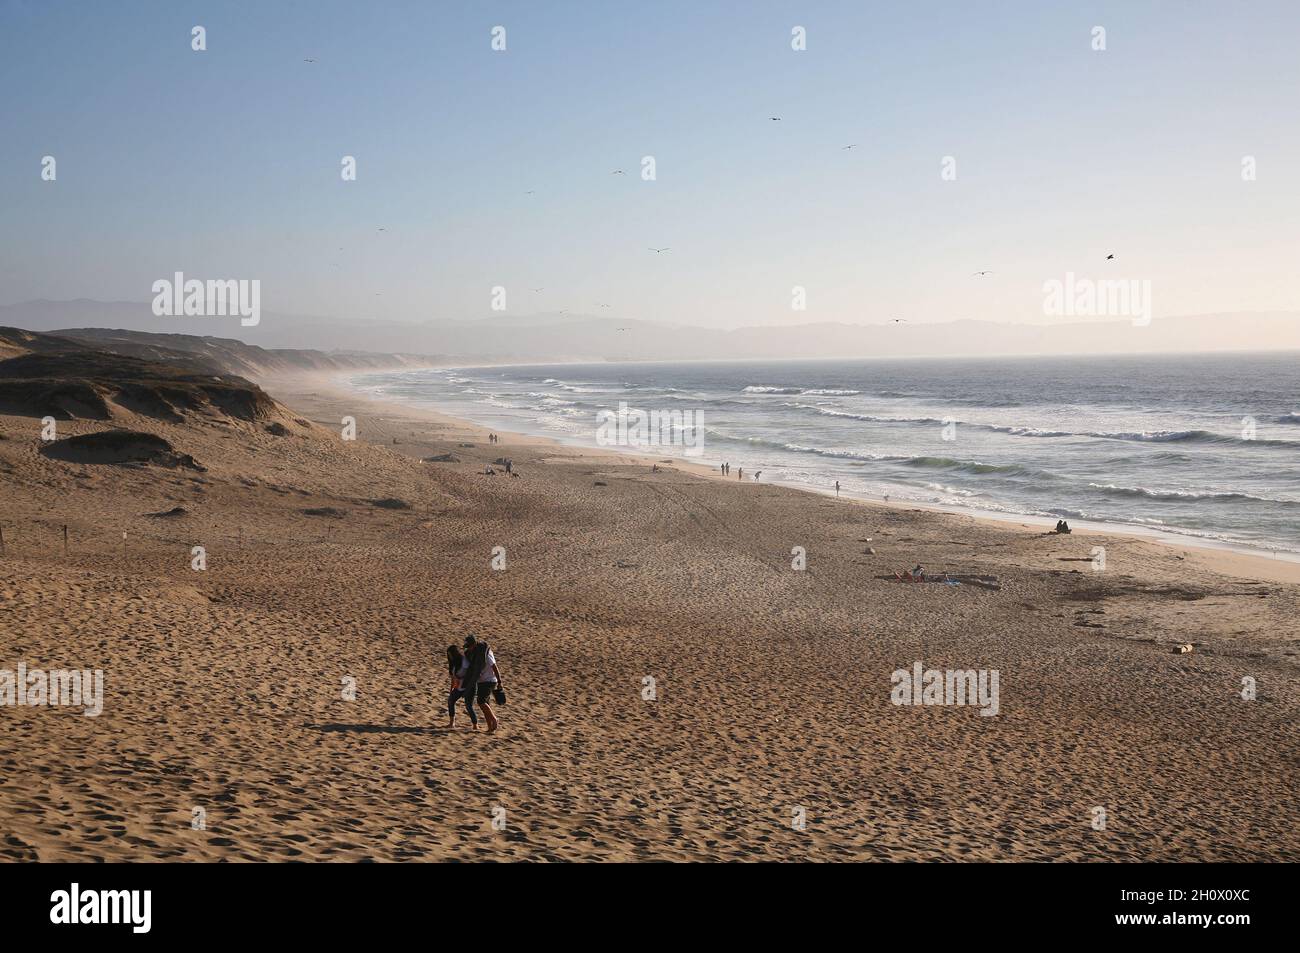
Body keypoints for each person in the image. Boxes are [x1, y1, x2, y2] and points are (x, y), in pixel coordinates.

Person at [462, 635, 502, 734]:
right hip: (481, 681)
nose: (469, 648)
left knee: (481, 701)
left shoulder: (486, 653)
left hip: (490, 680)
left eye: (470, 646)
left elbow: (494, 667)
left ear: (474, 644)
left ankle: (495, 719)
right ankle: (490, 728)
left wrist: (499, 681)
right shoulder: (473, 654)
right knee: (485, 704)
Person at [446, 645, 478, 729]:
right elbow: (453, 677)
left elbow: (471, 674)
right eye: (448, 655)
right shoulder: (452, 663)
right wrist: (451, 689)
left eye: (451, 654)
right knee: (450, 701)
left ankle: (475, 725)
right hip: (459, 687)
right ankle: (452, 723)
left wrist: (461, 678)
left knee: (468, 706)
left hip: (469, 687)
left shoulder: (464, 661)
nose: (450, 656)